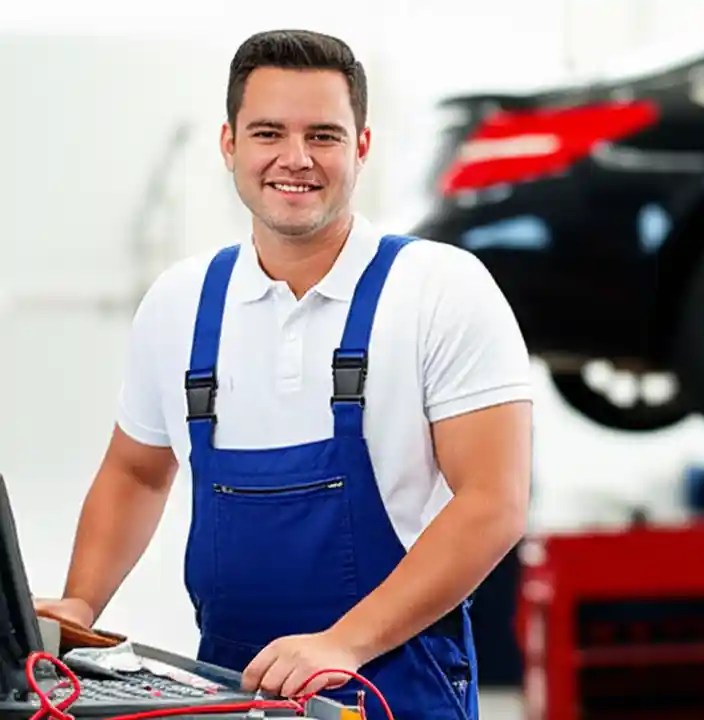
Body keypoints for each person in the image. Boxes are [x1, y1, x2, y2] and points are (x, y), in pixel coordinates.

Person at [35, 28, 532, 720]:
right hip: (230, 694)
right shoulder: (179, 303)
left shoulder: (440, 289)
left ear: (361, 147)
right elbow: (136, 471)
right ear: (229, 144)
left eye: (323, 136)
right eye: (268, 132)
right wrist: (80, 604)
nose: (294, 159)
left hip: (395, 690)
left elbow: (494, 502)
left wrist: (343, 644)